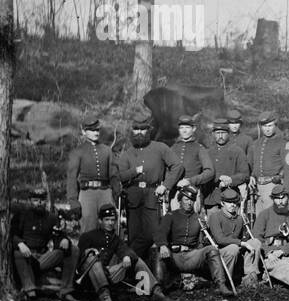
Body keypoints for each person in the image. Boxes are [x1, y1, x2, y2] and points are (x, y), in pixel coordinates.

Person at [75, 204, 164, 301]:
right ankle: (105, 298)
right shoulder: (88, 236)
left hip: (106, 274)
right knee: (92, 258)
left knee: (135, 260)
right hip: (88, 278)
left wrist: (127, 256)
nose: (110, 223)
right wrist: (89, 252)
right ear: (100, 221)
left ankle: (155, 290)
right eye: (107, 220)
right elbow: (78, 260)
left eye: (112, 220)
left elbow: (126, 250)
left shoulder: (114, 239)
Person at [112, 113, 169, 265]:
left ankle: (126, 259)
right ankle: (135, 272)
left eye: (142, 129)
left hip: (153, 195)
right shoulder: (127, 153)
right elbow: (120, 176)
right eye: (136, 129)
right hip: (133, 197)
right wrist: (134, 171)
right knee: (134, 235)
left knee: (152, 234)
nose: (139, 132)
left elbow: (177, 166)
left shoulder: (160, 148)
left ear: (148, 130)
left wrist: (166, 185)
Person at [156, 185, 231, 296]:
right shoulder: (171, 216)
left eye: (192, 200)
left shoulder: (199, 218)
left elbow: (202, 242)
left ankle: (221, 285)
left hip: (192, 256)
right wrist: (162, 245)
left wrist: (204, 240)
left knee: (211, 249)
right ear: (180, 200)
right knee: (158, 253)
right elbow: (160, 233)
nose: (189, 203)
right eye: (186, 199)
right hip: (174, 257)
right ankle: (158, 291)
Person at [11, 185, 78, 301]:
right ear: (30, 201)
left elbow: (57, 235)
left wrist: (64, 239)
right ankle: (30, 290)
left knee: (74, 249)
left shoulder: (51, 217)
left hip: (43, 258)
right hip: (27, 257)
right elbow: (12, 235)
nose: (39, 203)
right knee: (17, 252)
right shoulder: (22, 215)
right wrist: (20, 243)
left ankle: (66, 290)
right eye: (35, 200)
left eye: (42, 200)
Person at [65, 116, 116, 233]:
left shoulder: (107, 150)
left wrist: (116, 191)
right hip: (87, 194)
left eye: (97, 130)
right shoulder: (78, 151)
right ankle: (87, 251)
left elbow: (113, 174)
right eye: (92, 130)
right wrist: (73, 201)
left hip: (106, 193)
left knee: (109, 226)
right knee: (88, 228)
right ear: (83, 131)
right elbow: (72, 178)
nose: (96, 132)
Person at [207, 185, 262, 289]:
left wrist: (246, 241)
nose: (232, 205)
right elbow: (220, 239)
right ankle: (224, 281)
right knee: (233, 248)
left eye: (235, 202)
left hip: (236, 249)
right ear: (222, 203)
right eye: (229, 202)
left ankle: (250, 277)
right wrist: (242, 243)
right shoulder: (215, 217)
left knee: (255, 242)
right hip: (219, 252)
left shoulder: (239, 219)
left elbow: (243, 238)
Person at [163, 114, 215, 205]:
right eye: (181, 127)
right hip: (174, 193)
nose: (184, 130)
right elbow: (166, 170)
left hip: (192, 192)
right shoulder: (173, 148)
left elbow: (210, 172)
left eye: (187, 127)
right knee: (175, 217)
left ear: (193, 129)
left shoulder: (199, 148)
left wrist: (190, 181)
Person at [249, 112, 289, 215]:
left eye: (270, 126)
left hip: (273, 187)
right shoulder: (256, 144)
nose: (267, 129)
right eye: (264, 126)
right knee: (260, 219)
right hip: (257, 189)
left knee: (272, 219)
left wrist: (284, 192)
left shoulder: (283, 144)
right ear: (260, 127)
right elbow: (253, 164)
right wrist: (251, 176)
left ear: (275, 126)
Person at [205, 118, 250, 209]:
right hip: (211, 198)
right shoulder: (208, 152)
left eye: (223, 133)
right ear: (213, 134)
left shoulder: (237, 151)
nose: (220, 136)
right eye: (218, 133)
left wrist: (230, 180)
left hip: (231, 198)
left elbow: (245, 174)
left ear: (228, 134)